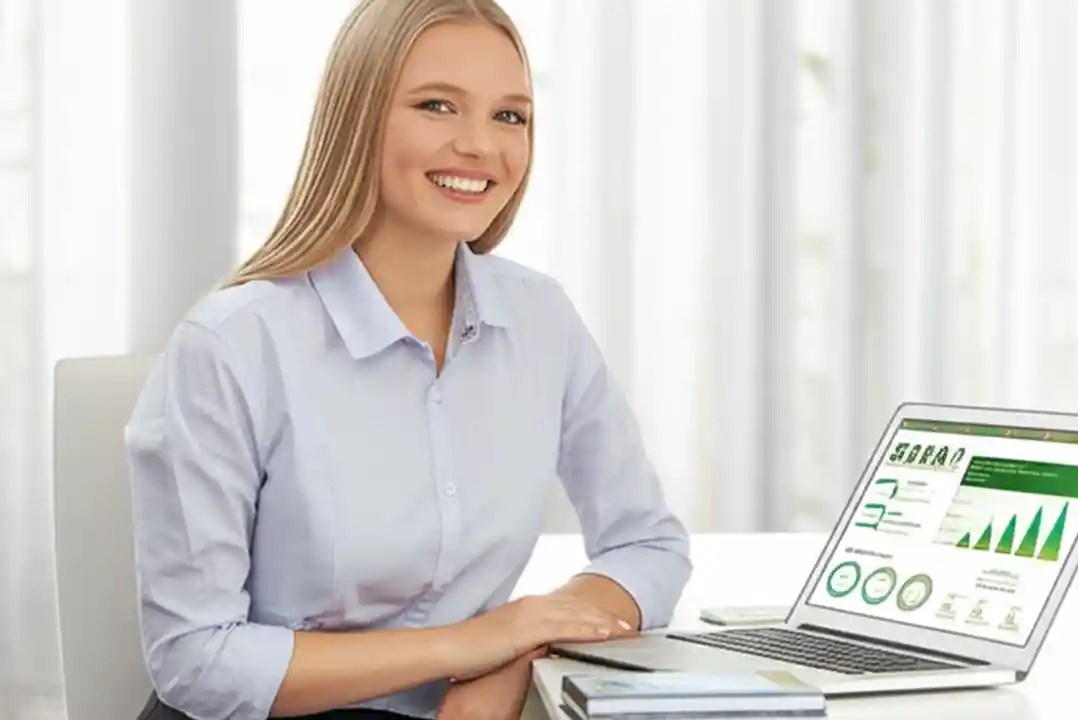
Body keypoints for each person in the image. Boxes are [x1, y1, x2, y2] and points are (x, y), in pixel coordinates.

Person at [124, 1, 691, 718]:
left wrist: (518, 656)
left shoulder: (542, 321)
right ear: (358, 119)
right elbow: (197, 660)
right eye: (437, 106)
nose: (480, 145)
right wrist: (475, 643)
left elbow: (648, 543)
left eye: (509, 116)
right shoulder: (233, 346)